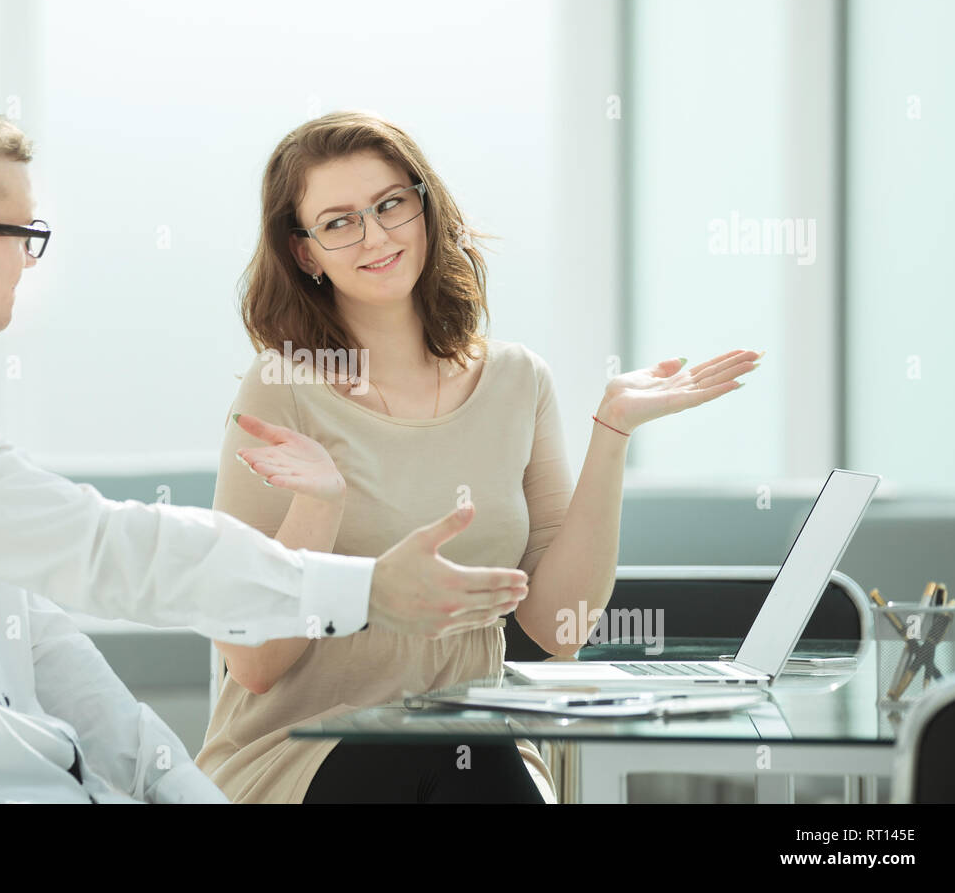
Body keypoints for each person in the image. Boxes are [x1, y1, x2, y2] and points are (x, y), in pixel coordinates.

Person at [0, 102, 530, 803]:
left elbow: (42, 645)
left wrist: (175, 783)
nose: (29, 261)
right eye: (25, 234)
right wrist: (365, 591)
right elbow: (107, 548)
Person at [195, 110, 762, 803]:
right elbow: (253, 664)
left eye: (391, 205)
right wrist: (319, 505)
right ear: (306, 252)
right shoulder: (282, 386)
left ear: (425, 208)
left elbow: (557, 628)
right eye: (339, 222)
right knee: (467, 752)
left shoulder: (517, 382)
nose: (375, 235)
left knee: (477, 750)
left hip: (478, 748)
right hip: (302, 756)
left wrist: (612, 433)